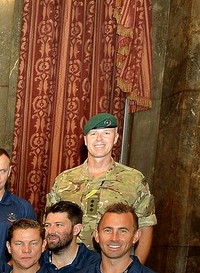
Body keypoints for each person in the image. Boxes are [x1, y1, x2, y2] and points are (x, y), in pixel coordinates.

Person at [48, 112, 156, 262]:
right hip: (70, 265)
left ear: (116, 138)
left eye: (106, 133)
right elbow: (50, 226)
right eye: (93, 134)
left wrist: (135, 270)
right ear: (85, 140)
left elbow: (145, 226)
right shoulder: (64, 180)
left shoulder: (134, 180)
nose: (99, 139)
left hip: (115, 265)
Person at [42, 201, 101, 273]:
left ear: (76, 229)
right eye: (47, 225)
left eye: (59, 225)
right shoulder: (36, 262)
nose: (51, 231)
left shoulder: (96, 265)